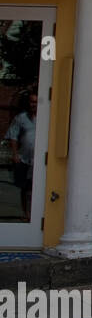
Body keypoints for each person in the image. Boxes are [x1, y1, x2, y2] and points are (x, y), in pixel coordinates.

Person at [4, 91, 38, 221]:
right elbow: (13, 136)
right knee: (24, 188)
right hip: (24, 158)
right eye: (31, 102)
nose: (33, 105)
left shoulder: (46, 118)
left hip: (39, 160)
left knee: (36, 187)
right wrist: (15, 154)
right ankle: (26, 214)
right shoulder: (21, 118)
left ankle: (36, 214)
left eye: (35, 102)